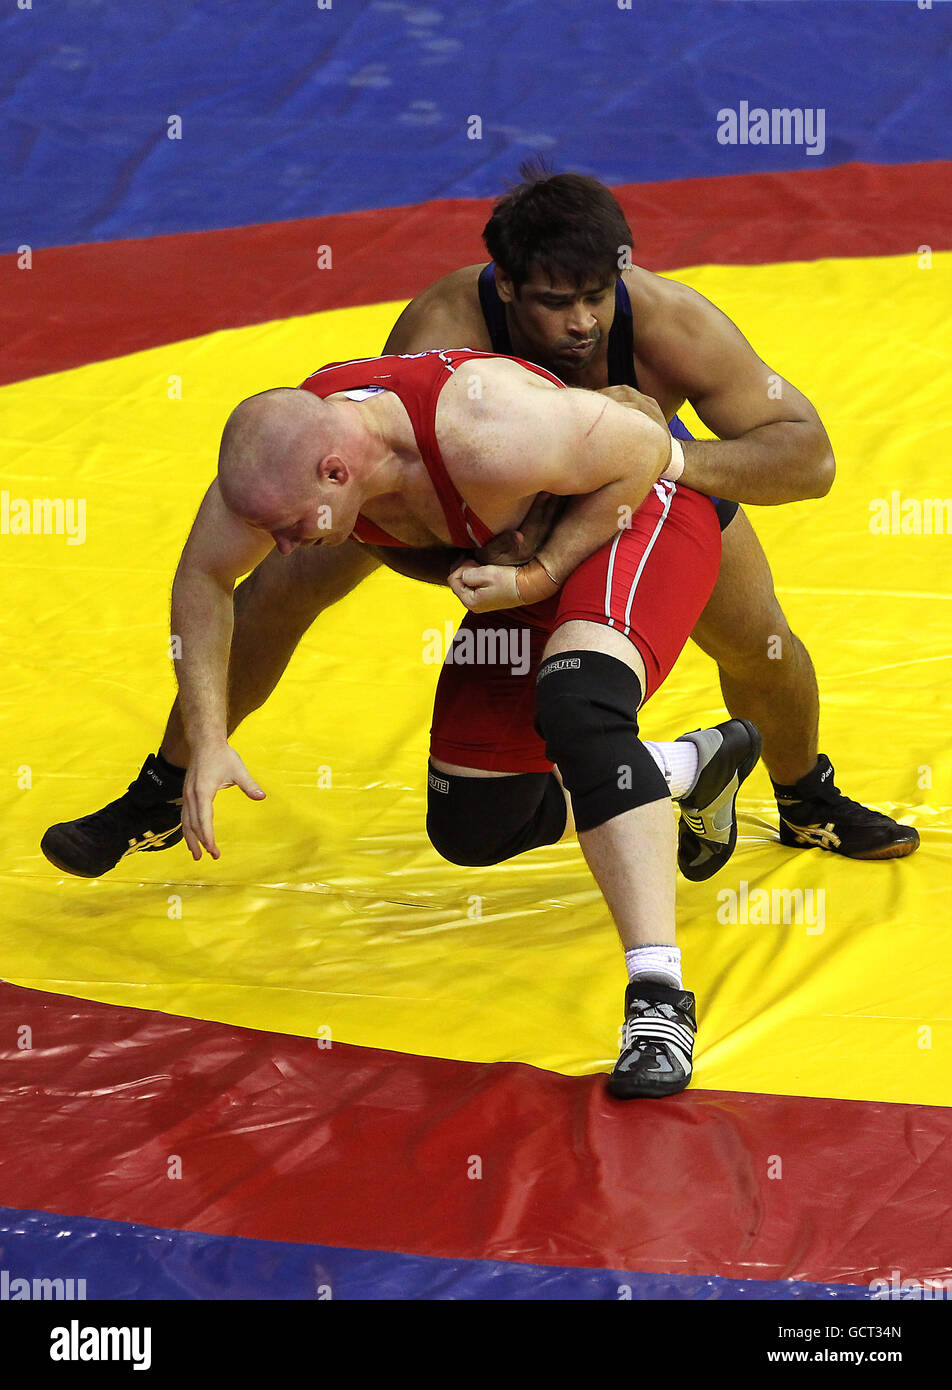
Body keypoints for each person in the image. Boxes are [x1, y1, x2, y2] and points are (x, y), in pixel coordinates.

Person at [42, 165, 915, 878]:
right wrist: (480, 567)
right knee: (278, 583)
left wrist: (670, 455)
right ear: (504, 284)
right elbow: (387, 500)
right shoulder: (446, 324)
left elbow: (810, 458)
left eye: (596, 295)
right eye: (551, 300)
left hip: (640, 487)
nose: (580, 322)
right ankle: (169, 783)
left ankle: (804, 798)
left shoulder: (669, 322)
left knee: (756, 639)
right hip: (475, 510)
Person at [150, 346, 758, 1097]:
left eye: (287, 528)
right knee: (476, 820)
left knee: (582, 708)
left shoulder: (485, 425)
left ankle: (658, 1001)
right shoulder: (279, 451)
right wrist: (209, 739)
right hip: (523, 553)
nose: (282, 549)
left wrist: (540, 573)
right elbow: (204, 576)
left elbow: (645, 452)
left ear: (337, 474)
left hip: (631, 515)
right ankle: (691, 770)